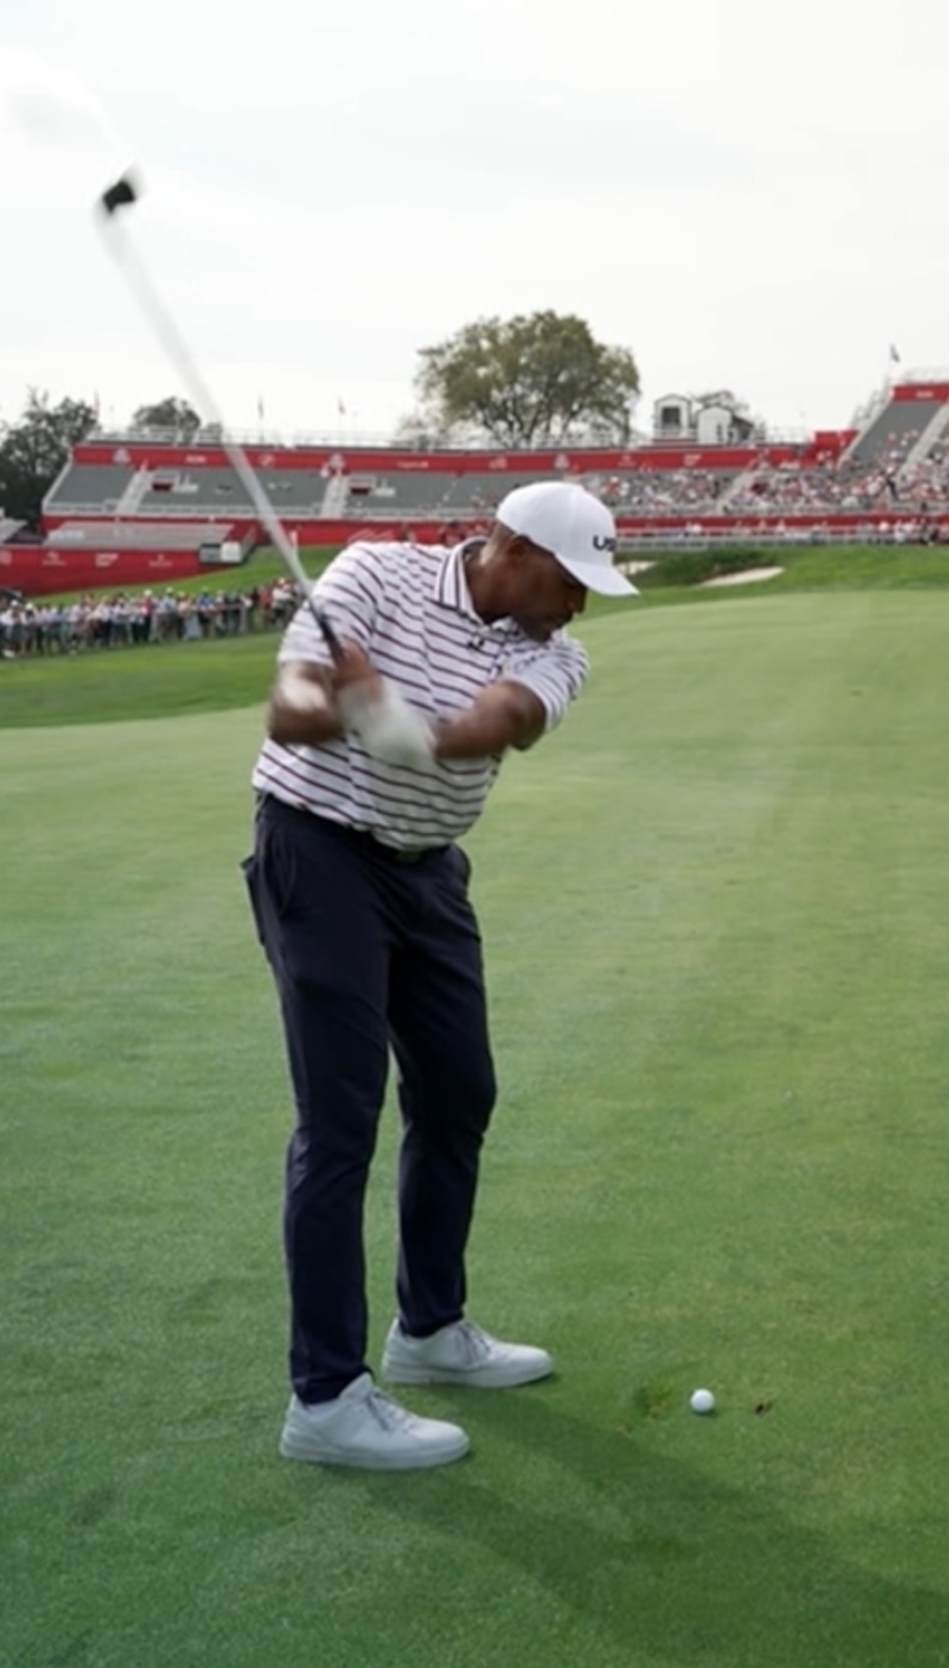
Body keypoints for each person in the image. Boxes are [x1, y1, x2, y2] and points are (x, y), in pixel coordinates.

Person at [246, 481, 638, 1470]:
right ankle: (325, 1397)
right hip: (320, 854)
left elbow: (498, 722)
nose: (579, 603)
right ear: (508, 545)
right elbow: (290, 709)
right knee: (340, 1122)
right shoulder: (376, 571)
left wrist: (400, 724)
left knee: (461, 1092)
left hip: (427, 874)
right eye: (568, 578)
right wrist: (346, 710)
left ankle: (427, 1331)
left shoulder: (557, 650)